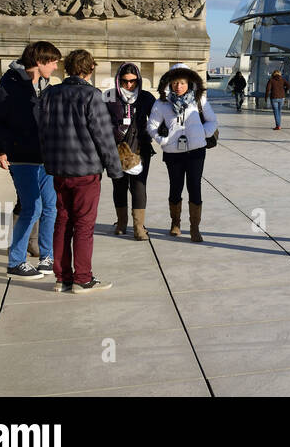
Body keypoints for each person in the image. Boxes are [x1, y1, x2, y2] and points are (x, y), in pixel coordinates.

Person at [34, 49, 123, 293]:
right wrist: (115, 170)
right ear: (90, 69)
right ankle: (82, 278)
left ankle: (62, 278)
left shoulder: (49, 94)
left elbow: (41, 131)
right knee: (83, 226)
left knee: (62, 222)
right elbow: (104, 136)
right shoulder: (91, 95)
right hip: (85, 171)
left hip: (59, 170)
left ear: (67, 69)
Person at [0, 40, 62, 279]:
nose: (56, 67)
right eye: (54, 62)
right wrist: (4, 146)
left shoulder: (46, 87)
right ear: (40, 62)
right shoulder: (7, 87)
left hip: (46, 158)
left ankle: (47, 257)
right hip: (22, 158)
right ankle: (16, 261)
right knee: (32, 207)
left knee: (50, 207)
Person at [148, 63, 218, 243]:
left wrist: (204, 133)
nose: (178, 86)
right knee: (175, 187)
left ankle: (195, 227)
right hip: (173, 153)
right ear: (170, 83)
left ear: (189, 83)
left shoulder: (198, 100)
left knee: (195, 187)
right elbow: (152, 126)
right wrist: (162, 140)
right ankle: (175, 223)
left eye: (182, 83)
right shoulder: (161, 103)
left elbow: (212, 121)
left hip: (195, 151)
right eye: (175, 83)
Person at [104, 63, 156, 240]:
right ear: (118, 80)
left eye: (133, 81)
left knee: (139, 186)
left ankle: (138, 227)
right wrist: (116, 131)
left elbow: (157, 120)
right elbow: (100, 121)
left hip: (140, 148)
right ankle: (121, 223)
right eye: (125, 81)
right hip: (116, 148)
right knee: (119, 185)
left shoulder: (146, 97)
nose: (129, 85)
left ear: (139, 80)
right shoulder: (109, 97)